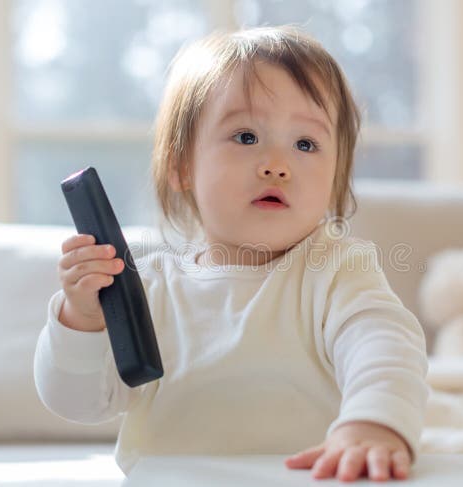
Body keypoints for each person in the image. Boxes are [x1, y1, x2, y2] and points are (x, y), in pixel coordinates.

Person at [34, 25, 429, 482]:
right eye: (246, 137)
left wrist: (372, 423)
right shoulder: (150, 287)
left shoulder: (338, 271)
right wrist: (81, 320)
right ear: (182, 165)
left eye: (305, 144)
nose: (276, 165)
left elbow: (385, 346)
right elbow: (78, 403)